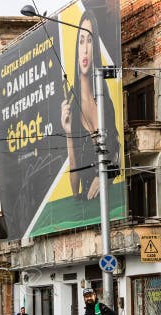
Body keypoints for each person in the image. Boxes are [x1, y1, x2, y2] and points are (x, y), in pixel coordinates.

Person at [60, 10, 120, 201]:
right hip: (86, 207)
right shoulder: (72, 107)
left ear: (95, 47)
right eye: (81, 40)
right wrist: (69, 133)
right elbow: (75, 189)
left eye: (90, 40)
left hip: (111, 203)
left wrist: (103, 177)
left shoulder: (105, 101)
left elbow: (117, 153)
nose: (85, 48)